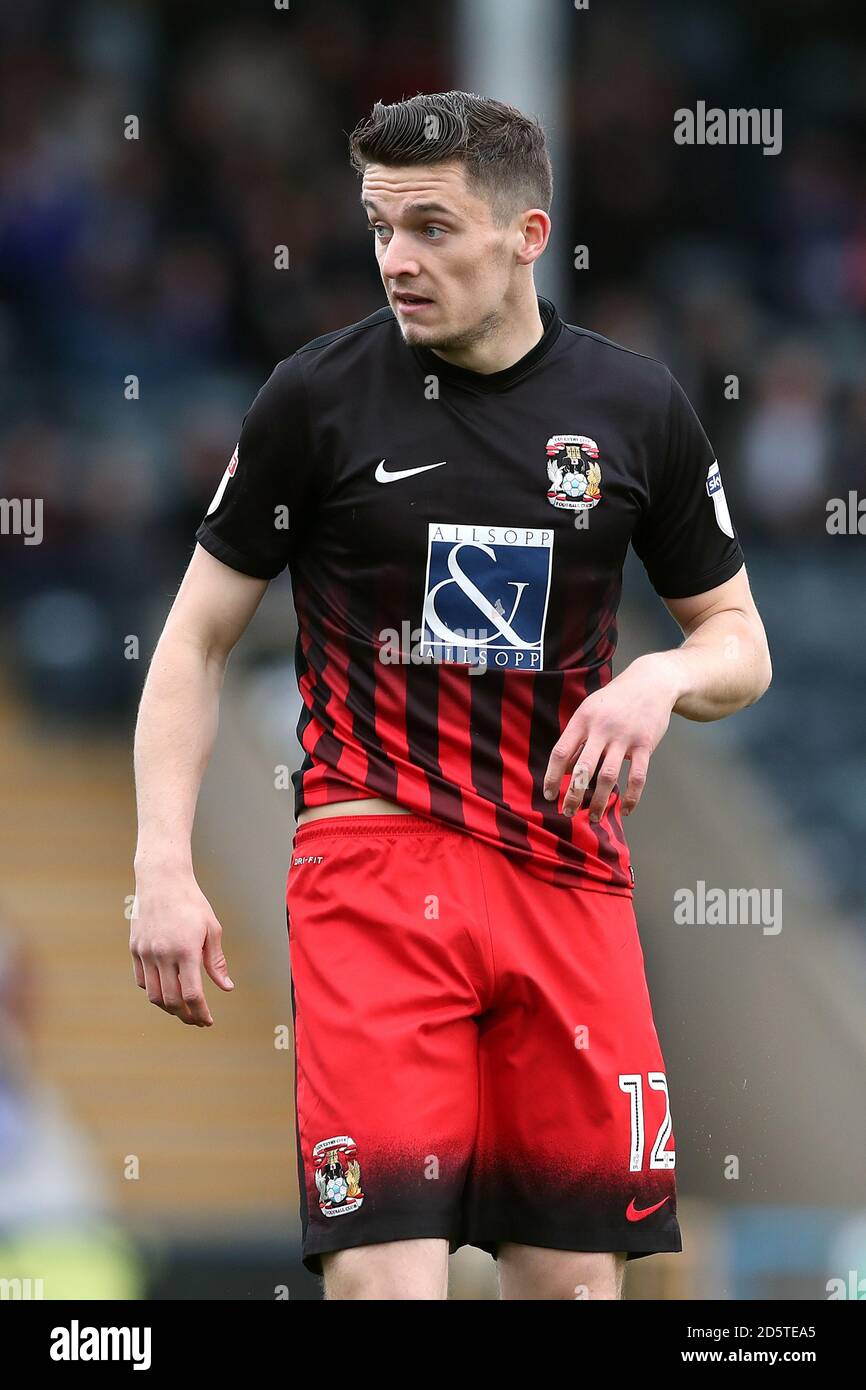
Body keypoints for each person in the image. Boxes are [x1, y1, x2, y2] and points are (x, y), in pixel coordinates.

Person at [131, 91, 772, 1300]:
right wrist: (163, 862)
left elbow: (738, 640)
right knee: (385, 1284)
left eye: (431, 227)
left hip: (566, 879)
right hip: (373, 869)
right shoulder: (314, 400)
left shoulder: (633, 410)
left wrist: (661, 675)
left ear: (528, 234)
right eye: (379, 228)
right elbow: (192, 640)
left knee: (578, 1285)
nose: (396, 260)